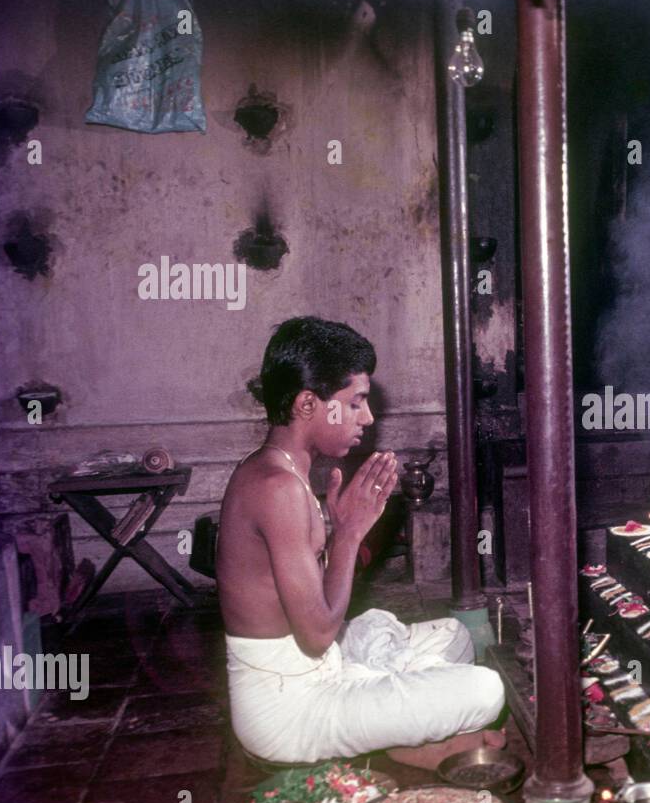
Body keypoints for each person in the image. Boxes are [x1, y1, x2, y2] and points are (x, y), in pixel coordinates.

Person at [216, 316, 505, 766]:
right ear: (309, 404)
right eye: (355, 403)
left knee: (452, 634)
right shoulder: (277, 489)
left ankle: (403, 723)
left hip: (320, 666)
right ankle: (412, 734)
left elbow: (310, 611)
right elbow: (316, 635)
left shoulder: (276, 469)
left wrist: (339, 533)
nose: (367, 419)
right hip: (289, 712)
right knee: (486, 689)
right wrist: (349, 535)